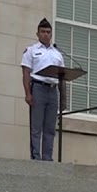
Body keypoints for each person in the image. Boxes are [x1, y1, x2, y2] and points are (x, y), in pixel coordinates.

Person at [21, 18, 64, 161]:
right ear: (37, 34)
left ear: (51, 34)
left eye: (48, 32)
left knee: (50, 128)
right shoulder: (31, 50)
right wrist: (28, 93)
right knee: (36, 127)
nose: (46, 34)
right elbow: (26, 73)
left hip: (53, 90)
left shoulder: (57, 53)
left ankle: (47, 158)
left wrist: (64, 98)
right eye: (43, 32)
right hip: (38, 88)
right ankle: (36, 157)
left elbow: (62, 76)